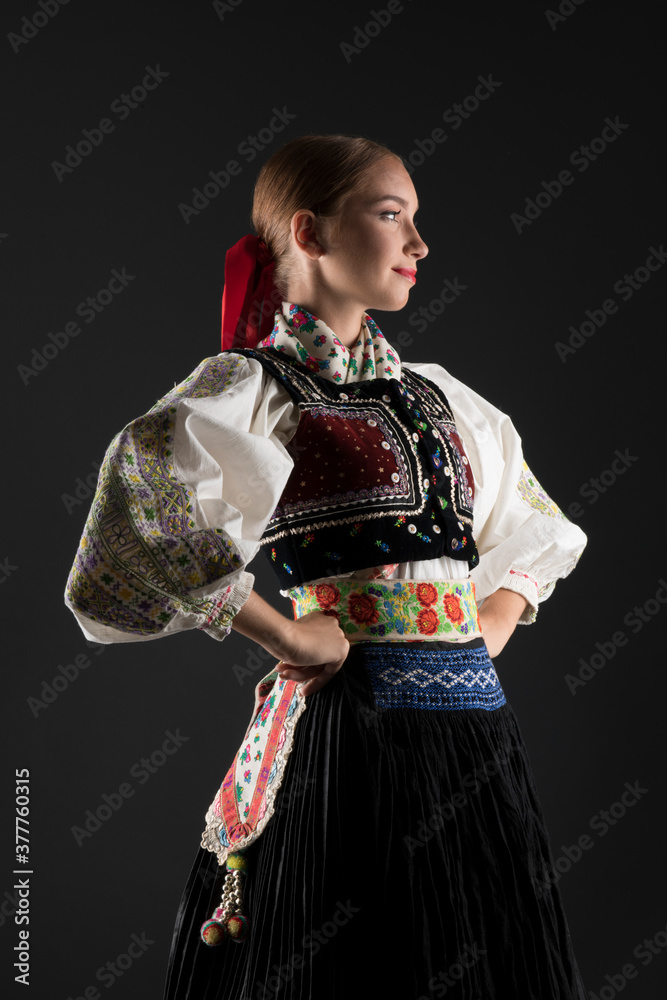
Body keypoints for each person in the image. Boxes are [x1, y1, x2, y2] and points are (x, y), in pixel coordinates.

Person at [65, 133, 588, 999]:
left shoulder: (437, 395)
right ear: (308, 233)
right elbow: (138, 512)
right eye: (391, 216)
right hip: (355, 734)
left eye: (415, 219)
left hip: (474, 733)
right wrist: (282, 632)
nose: (418, 244)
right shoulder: (259, 386)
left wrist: (489, 618)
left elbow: (535, 524)